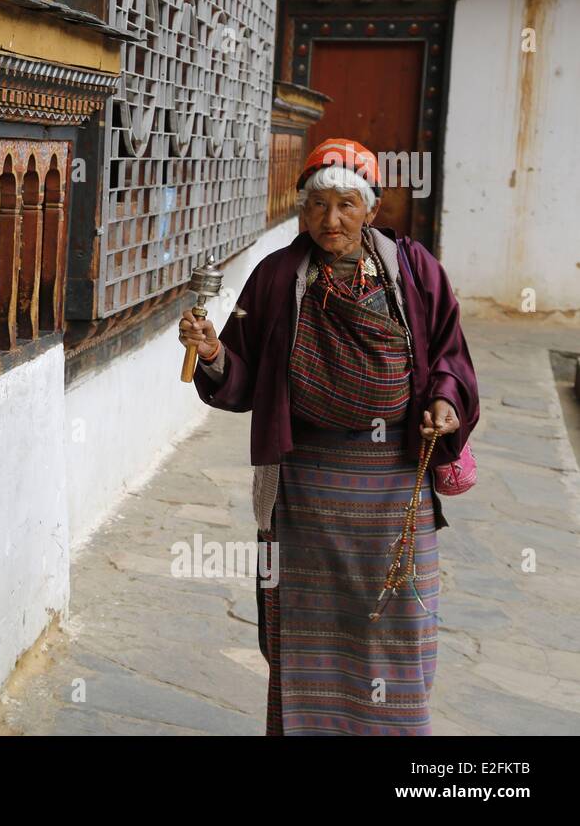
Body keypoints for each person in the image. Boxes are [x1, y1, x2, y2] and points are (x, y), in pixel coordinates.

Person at [179, 137, 479, 735]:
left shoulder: (414, 272)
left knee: (395, 626)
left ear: (370, 208)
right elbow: (240, 380)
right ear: (301, 208)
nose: (330, 219)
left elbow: (449, 355)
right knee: (307, 626)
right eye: (317, 204)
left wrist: (445, 401)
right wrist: (213, 352)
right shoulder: (276, 277)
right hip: (308, 484)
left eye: (346, 204)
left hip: (394, 483)